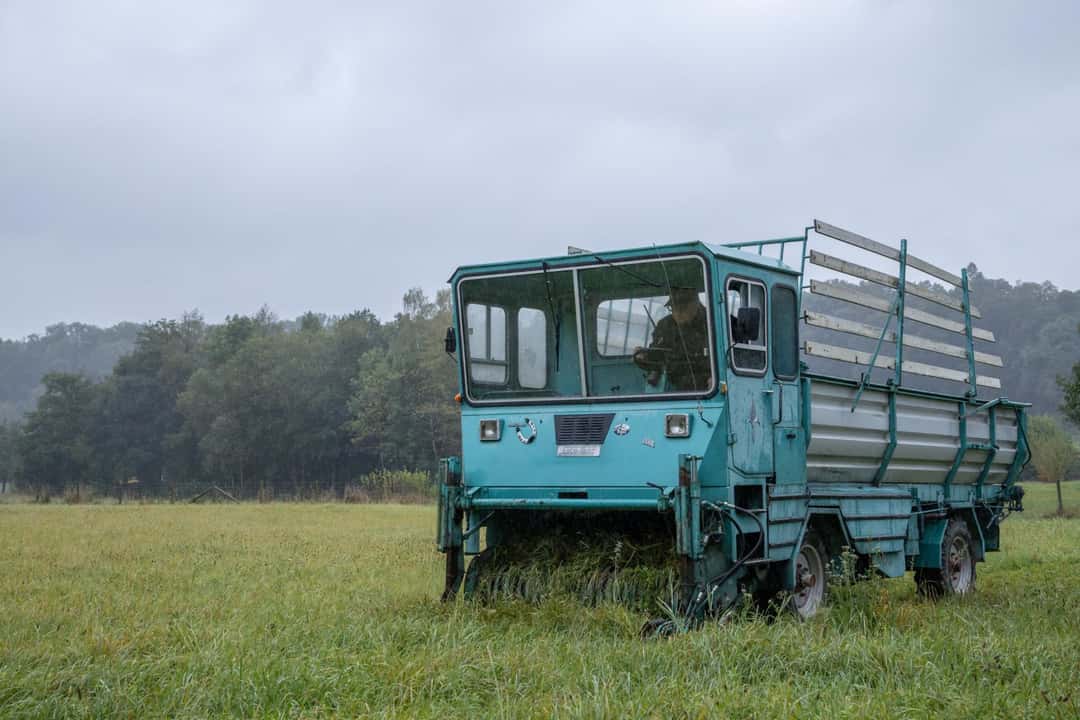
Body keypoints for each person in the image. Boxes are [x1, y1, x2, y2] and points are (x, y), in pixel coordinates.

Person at [632, 286, 711, 392]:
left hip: (707, 390)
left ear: (695, 303)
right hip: (674, 388)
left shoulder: (715, 321)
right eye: (673, 307)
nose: (676, 312)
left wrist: (718, 377)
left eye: (681, 307)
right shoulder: (665, 326)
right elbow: (656, 354)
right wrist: (644, 355)